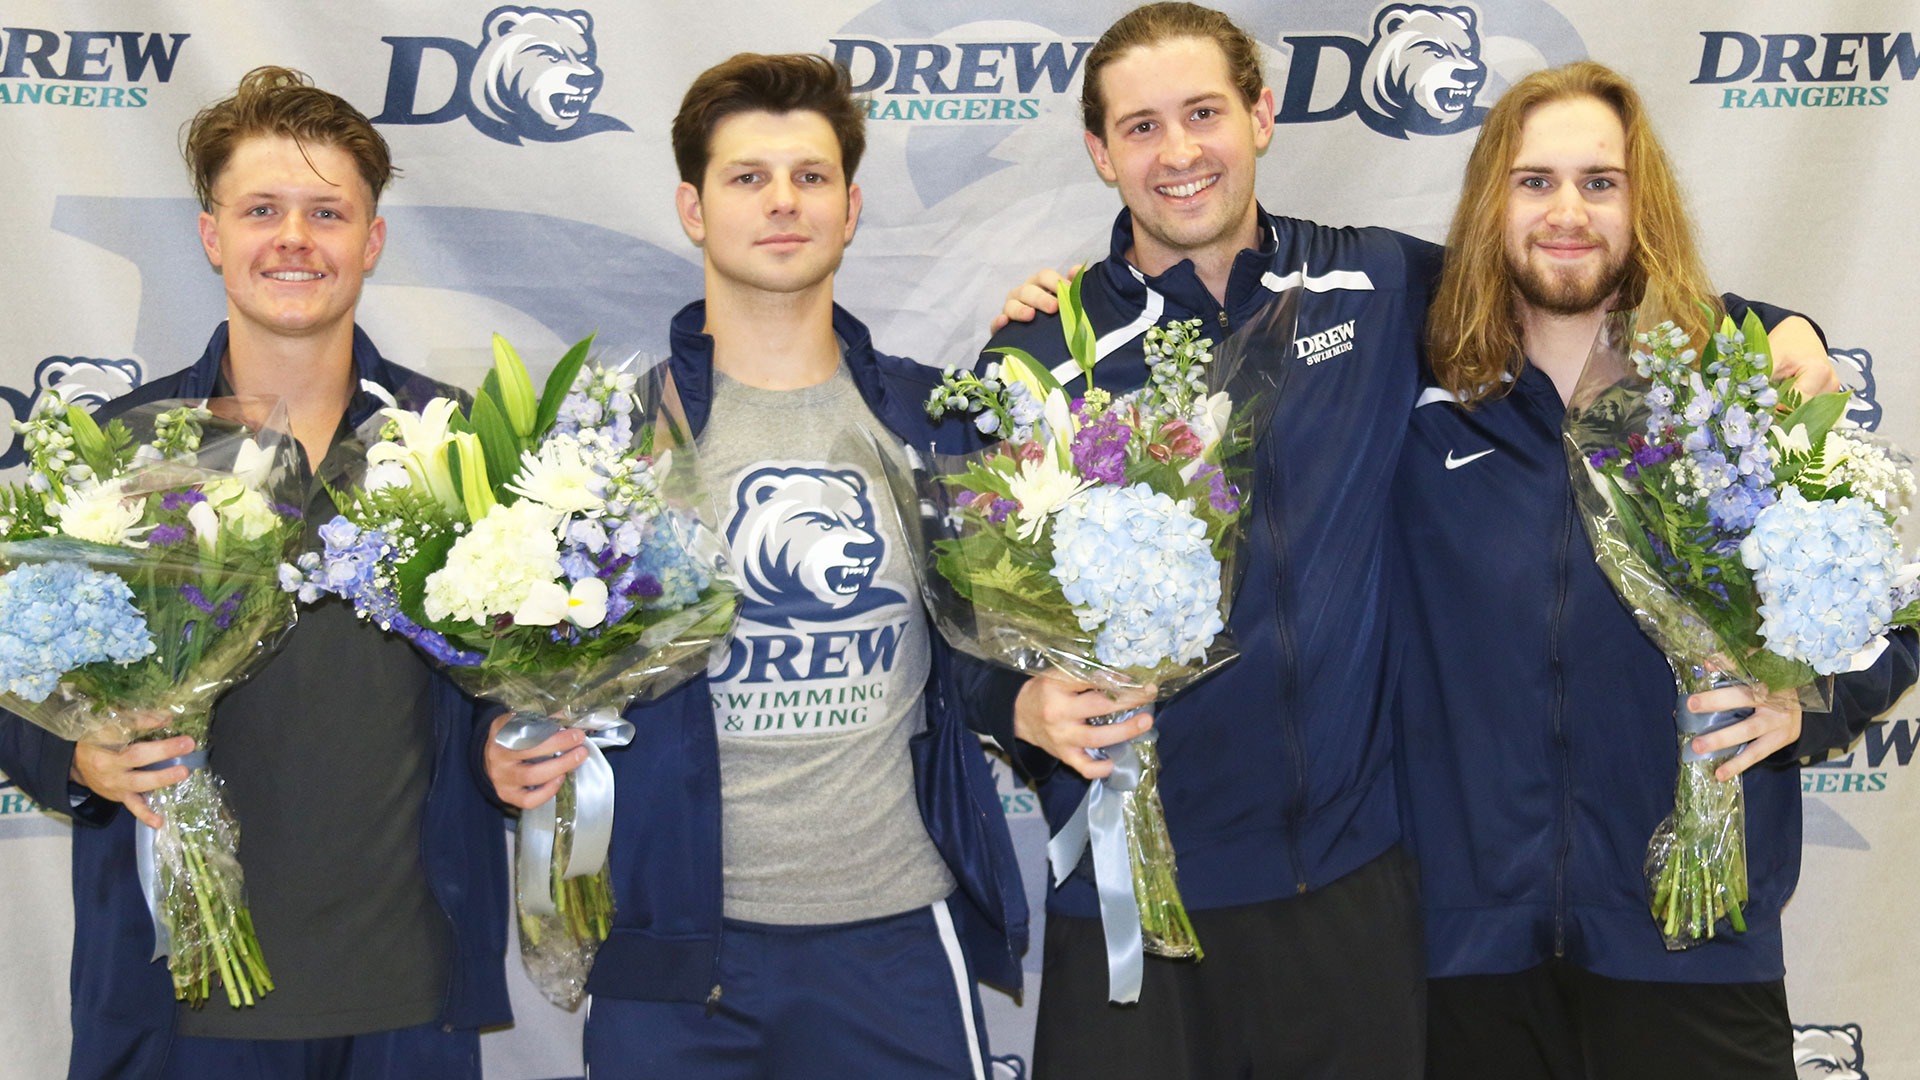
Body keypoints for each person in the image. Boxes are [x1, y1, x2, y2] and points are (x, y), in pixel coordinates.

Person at [482, 53, 1025, 1080]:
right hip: (672, 955)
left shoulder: (930, 420)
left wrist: (1029, 704)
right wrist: (503, 737)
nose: (783, 202)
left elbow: (987, 648)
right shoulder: (614, 441)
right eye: (747, 178)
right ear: (693, 207)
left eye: (810, 177)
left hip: (894, 936)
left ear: (852, 206)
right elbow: (514, 658)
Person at [1394, 60, 1919, 1078]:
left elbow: (1889, 601)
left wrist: (1813, 704)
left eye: (1601, 181)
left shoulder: (1738, 388)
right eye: (1533, 180)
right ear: (1488, 202)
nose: (1567, 213)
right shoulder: (1410, 391)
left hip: (1694, 945)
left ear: (1645, 203)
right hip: (1462, 955)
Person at [0, 68, 510, 1079]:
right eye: (262, 209)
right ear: (211, 235)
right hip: (181, 996)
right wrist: (75, 760)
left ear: (370, 240)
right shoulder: (120, 452)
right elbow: (14, 679)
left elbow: (510, 670)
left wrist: (518, 743)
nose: (293, 239)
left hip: (405, 998)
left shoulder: (456, 447)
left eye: (327, 213)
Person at [970, 4, 1441, 1076]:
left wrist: (1779, 323)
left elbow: (1568, 290)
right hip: (1130, 894)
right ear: (1100, 153)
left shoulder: (1378, 283)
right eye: (1140, 127)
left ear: (1262, 115)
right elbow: (955, 617)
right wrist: (1014, 703)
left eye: (1203, 113)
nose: (1178, 154)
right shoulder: (1040, 353)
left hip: (1352, 882)